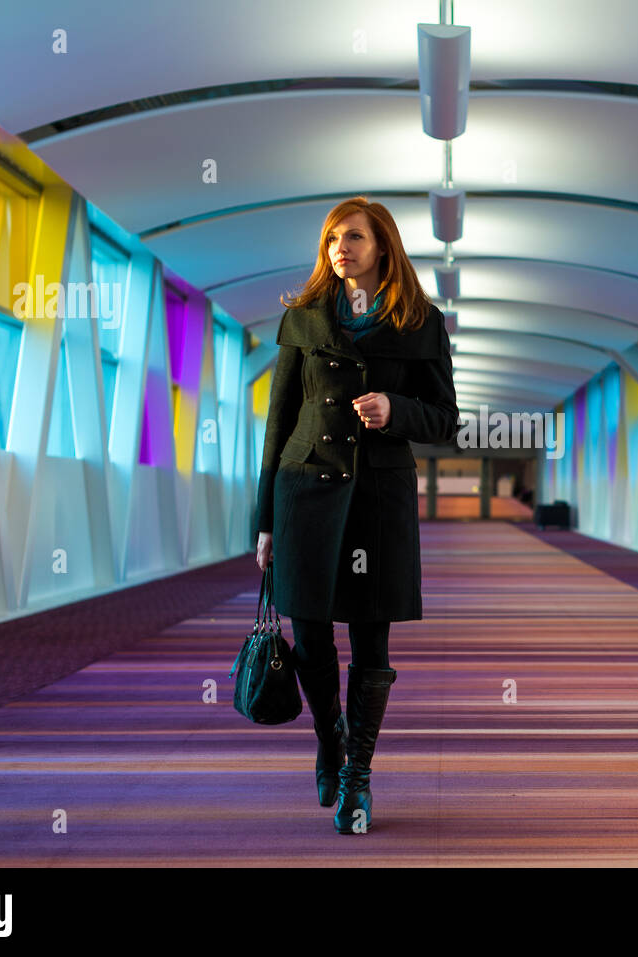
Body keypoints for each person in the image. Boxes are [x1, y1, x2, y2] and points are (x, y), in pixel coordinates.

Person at [253, 196, 459, 834]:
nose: (342, 247)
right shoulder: (303, 320)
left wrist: (397, 411)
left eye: (356, 237)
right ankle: (327, 737)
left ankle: (357, 776)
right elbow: (279, 422)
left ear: (383, 247)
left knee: (371, 639)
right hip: (303, 493)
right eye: (333, 238)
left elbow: (447, 420)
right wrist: (263, 521)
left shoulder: (421, 322)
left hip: (376, 498)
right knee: (311, 636)